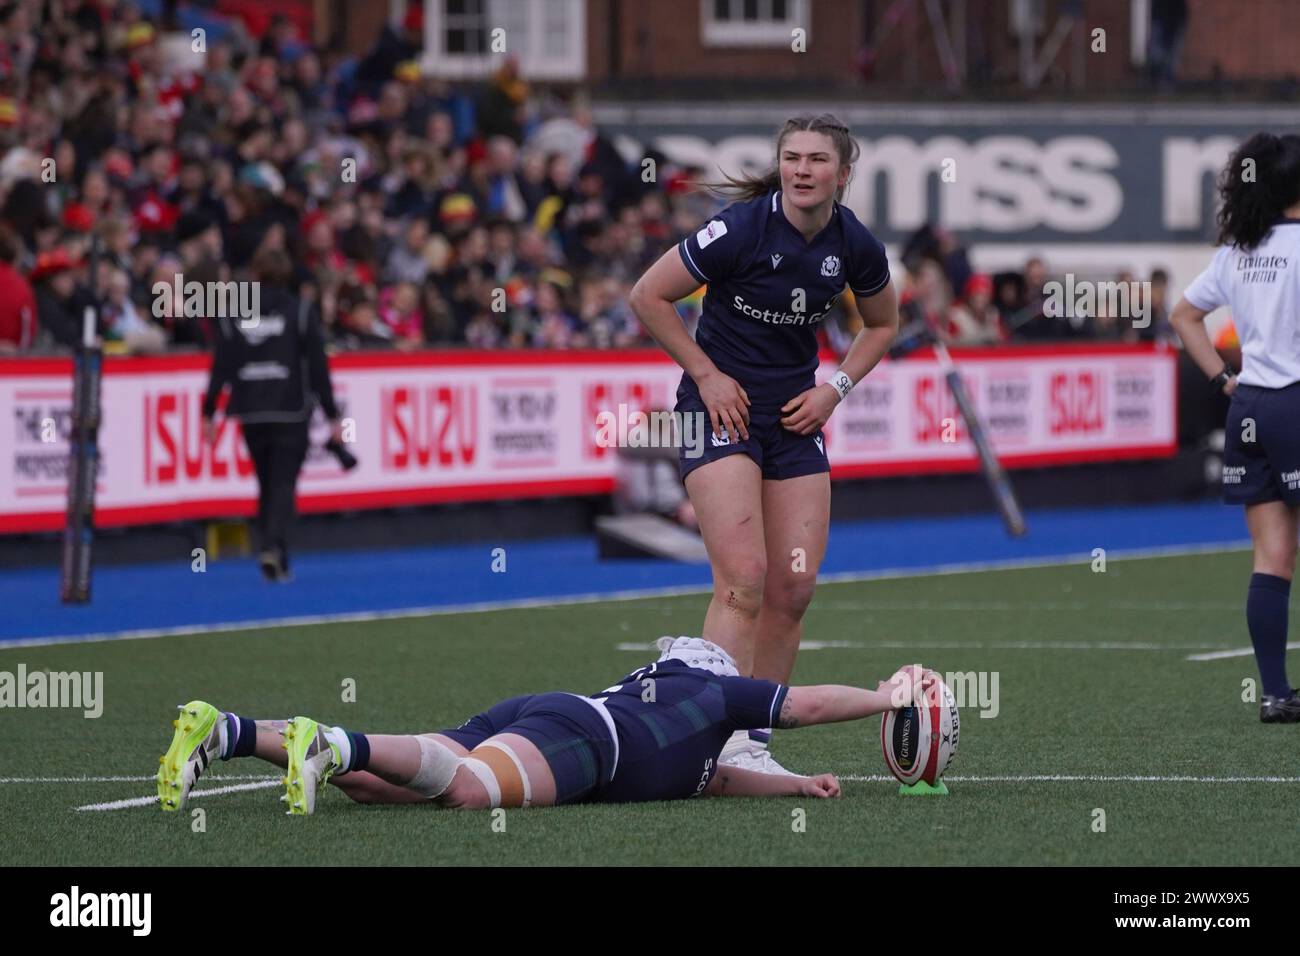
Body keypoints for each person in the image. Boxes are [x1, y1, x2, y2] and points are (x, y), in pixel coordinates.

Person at [628, 113, 899, 774]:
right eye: (792, 158)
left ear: (843, 172)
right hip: (713, 410)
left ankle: (751, 745)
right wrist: (708, 374)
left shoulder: (855, 244)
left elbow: (884, 323)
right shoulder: (740, 229)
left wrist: (834, 387)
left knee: (794, 588)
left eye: (816, 160)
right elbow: (649, 296)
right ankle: (704, 746)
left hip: (793, 419)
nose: (802, 170)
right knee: (743, 581)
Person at [156, 637, 935, 813]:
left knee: (375, 788)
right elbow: (804, 704)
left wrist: (796, 784)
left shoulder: (690, 725)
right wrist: (887, 696)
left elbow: (713, 776)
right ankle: (329, 742)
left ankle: (224, 732)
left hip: (552, 712)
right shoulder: (715, 693)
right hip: (587, 741)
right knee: (464, 792)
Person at [1170, 131, 1300, 723]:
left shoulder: (1239, 250)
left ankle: (1275, 693)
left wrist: (1224, 379)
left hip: (1250, 408)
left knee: (1270, 557)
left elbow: (1183, 315)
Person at [201, 248, 343, 582]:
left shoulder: (236, 313)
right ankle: (272, 546)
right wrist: (333, 415)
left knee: (266, 482)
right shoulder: (301, 313)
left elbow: (222, 363)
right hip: (289, 408)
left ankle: (274, 552)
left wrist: (209, 410)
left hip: (251, 409)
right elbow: (318, 369)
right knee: (282, 482)